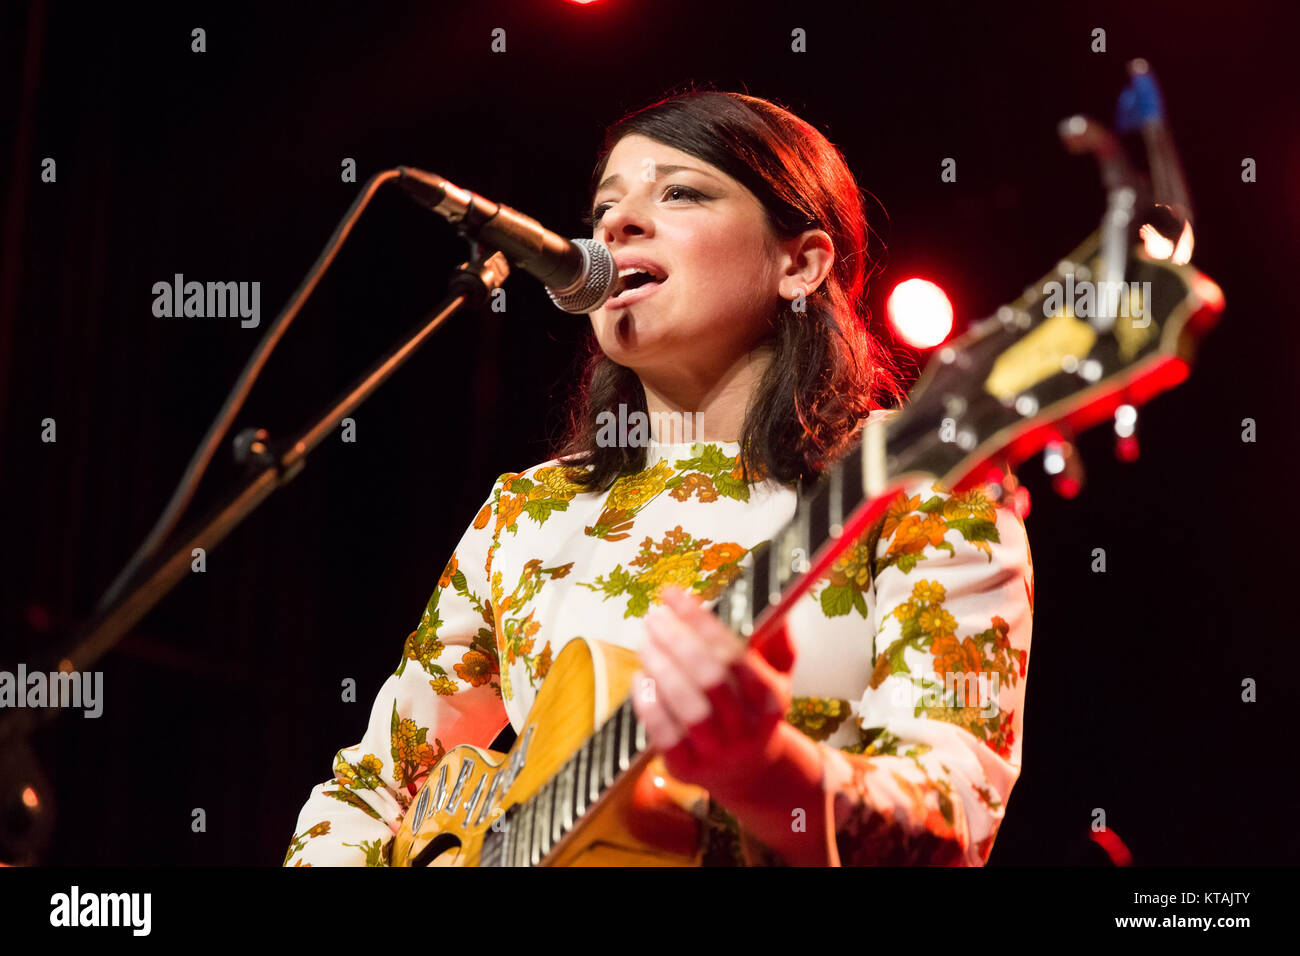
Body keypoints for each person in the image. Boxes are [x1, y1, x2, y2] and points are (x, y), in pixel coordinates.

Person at [283, 90, 1033, 867]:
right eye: (605, 205)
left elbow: (951, 817)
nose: (616, 224)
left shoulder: (918, 482)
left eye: (679, 191)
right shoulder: (528, 512)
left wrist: (767, 770)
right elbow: (369, 793)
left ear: (801, 263)